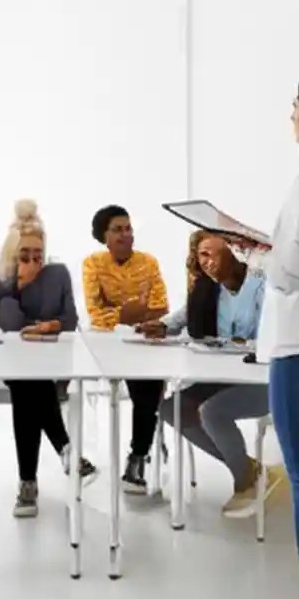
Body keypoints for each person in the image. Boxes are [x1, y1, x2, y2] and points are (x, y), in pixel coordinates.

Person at [141, 232, 285, 518]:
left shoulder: (262, 286)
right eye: (201, 256)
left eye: (212, 254)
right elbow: (183, 316)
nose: (206, 262)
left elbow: (271, 337)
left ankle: (244, 481)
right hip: (221, 375)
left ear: (233, 253)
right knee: (171, 408)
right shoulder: (209, 289)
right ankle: (248, 469)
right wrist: (162, 325)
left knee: (212, 412)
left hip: (263, 379)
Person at [0, 200, 98, 518]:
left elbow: (70, 318)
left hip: (54, 359)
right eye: (25, 255)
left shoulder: (58, 273)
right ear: (12, 255)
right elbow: (11, 325)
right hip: (17, 364)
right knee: (28, 385)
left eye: (38, 254)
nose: (34, 260)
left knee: (29, 389)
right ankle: (67, 452)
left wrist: (47, 326)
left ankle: (27, 485)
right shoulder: (1, 286)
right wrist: (20, 285)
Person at [256, 77, 299, 599]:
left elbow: (292, 267)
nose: (291, 117)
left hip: (297, 343)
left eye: (294, 107)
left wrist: (259, 258)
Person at [82, 204, 169, 494]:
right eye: (117, 230)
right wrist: (128, 313)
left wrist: (119, 312)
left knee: (147, 385)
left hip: (143, 342)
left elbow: (160, 308)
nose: (125, 235)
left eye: (128, 228)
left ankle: (137, 457)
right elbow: (95, 313)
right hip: (106, 346)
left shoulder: (149, 262)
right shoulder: (93, 264)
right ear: (103, 236)